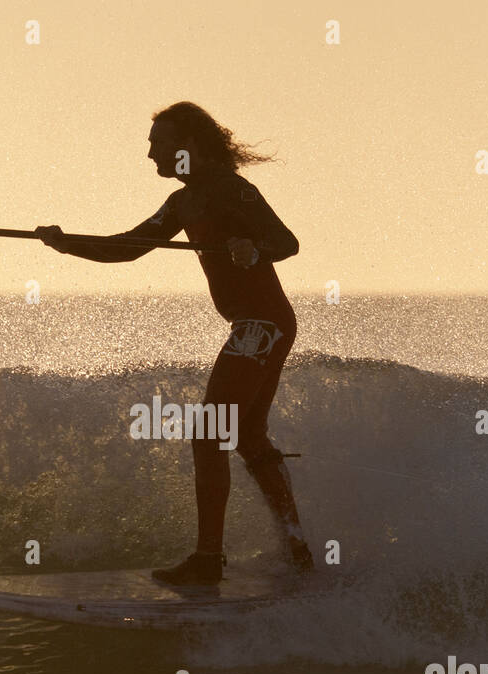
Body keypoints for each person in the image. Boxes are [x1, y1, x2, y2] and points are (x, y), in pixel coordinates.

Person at [36, 101, 311, 586]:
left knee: (210, 431)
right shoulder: (184, 201)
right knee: (245, 436)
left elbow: (285, 242)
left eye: (157, 143)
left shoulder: (232, 190)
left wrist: (254, 248)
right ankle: (297, 549)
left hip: (261, 326)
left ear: (190, 147)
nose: (150, 155)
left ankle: (208, 559)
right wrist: (67, 242)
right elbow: (129, 248)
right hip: (257, 326)